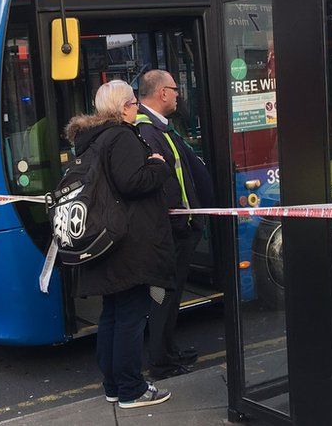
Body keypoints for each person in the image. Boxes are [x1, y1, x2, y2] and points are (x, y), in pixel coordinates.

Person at [64, 80, 176, 409]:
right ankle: (131, 389)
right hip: (127, 244)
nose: (137, 108)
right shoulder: (122, 136)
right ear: (124, 107)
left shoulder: (91, 141)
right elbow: (132, 182)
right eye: (133, 104)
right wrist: (157, 163)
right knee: (130, 317)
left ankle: (113, 385)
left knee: (112, 316)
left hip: (104, 243)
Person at [135, 70, 214, 380]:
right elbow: (163, 183)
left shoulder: (160, 128)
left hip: (180, 227)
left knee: (171, 296)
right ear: (161, 93)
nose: (179, 94)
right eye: (174, 89)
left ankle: (169, 350)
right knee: (163, 298)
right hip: (170, 232)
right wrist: (183, 221)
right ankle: (161, 362)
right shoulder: (148, 130)